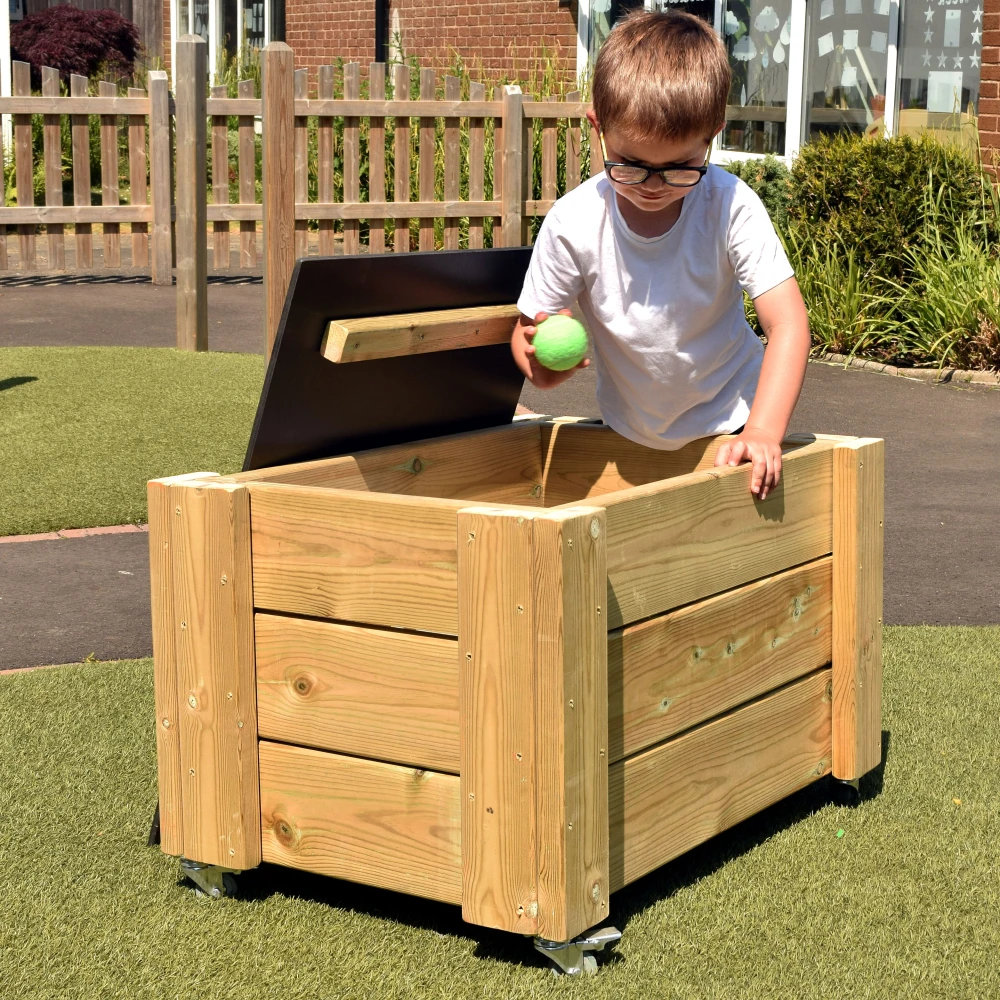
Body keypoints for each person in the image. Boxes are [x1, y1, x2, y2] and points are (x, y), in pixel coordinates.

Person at [511, 8, 810, 500]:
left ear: (712, 135)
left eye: (679, 167)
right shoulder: (573, 221)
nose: (653, 185)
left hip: (735, 420)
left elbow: (789, 325)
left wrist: (763, 431)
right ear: (598, 126)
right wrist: (541, 365)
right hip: (628, 432)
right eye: (630, 164)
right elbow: (531, 340)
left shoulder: (731, 205)